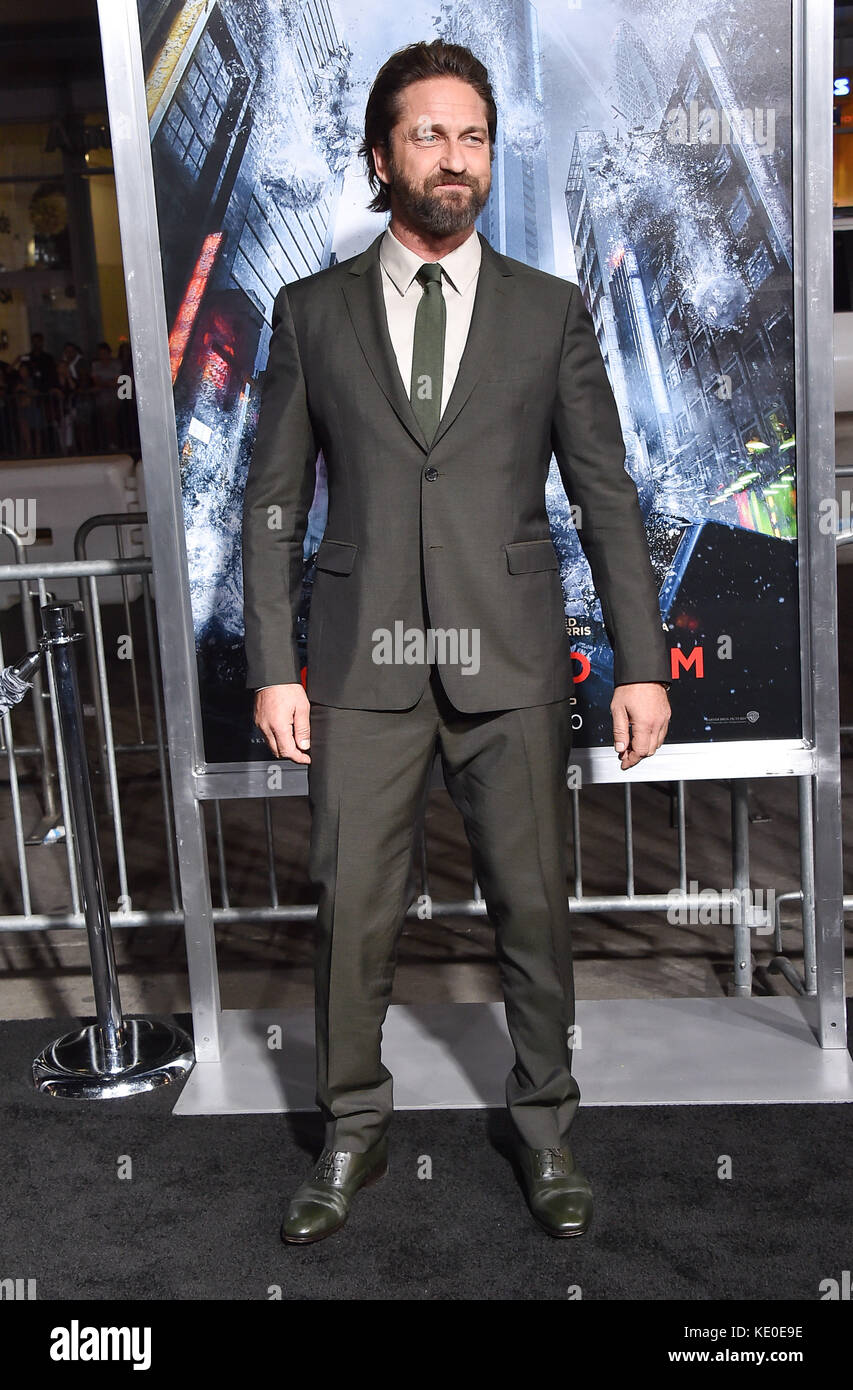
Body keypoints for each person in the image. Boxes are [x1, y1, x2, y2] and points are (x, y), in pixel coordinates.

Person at [241, 39, 671, 1246]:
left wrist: (639, 662)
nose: (453, 157)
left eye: (472, 136)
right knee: (353, 916)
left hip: (514, 661)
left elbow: (607, 496)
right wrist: (277, 660)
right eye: (427, 134)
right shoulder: (310, 311)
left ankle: (540, 1128)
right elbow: (271, 498)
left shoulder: (550, 311)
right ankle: (353, 1132)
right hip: (362, 668)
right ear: (381, 156)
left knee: (531, 907)